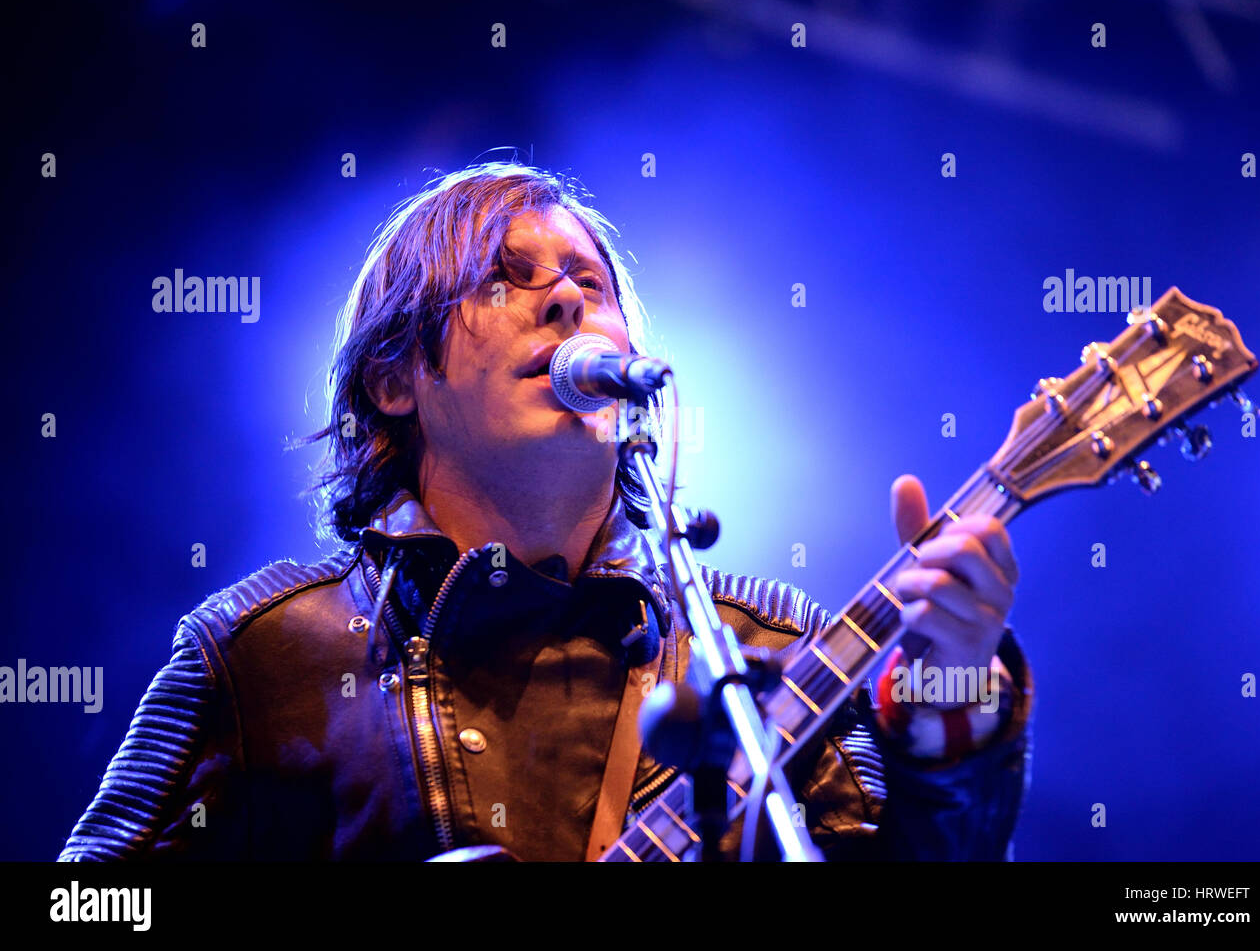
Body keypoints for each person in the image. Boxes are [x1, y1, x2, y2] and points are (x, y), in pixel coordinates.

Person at [58, 162, 1032, 862]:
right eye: (503, 276)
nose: (565, 299)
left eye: (591, 283)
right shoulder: (262, 649)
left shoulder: (755, 648)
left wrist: (955, 682)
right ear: (394, 377)